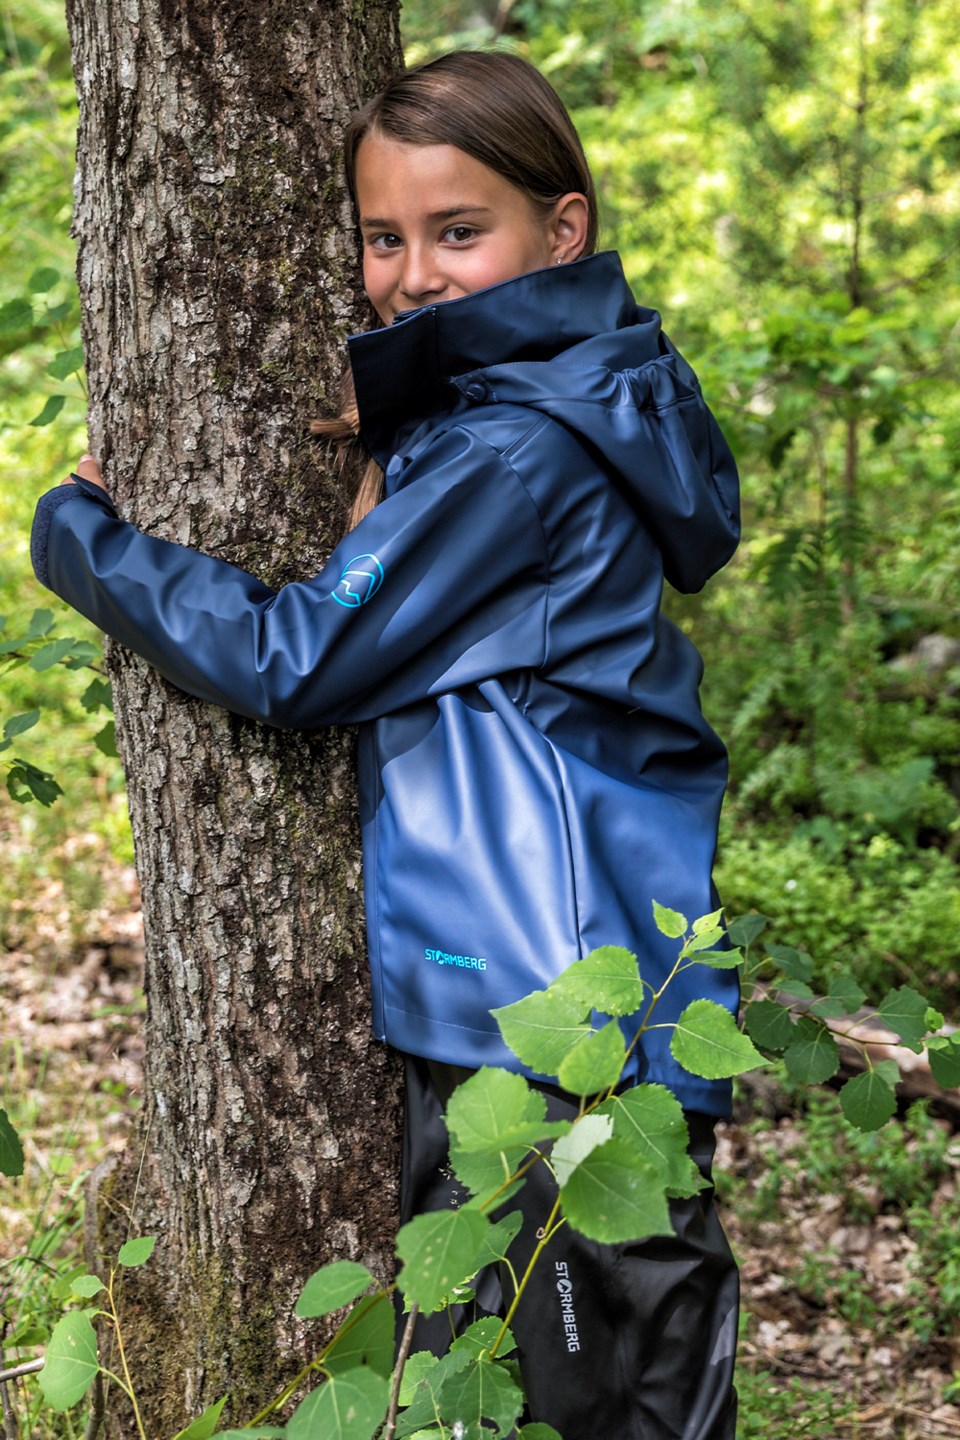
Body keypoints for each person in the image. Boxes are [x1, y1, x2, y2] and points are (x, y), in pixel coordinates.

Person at [31, 50, 740, 1439]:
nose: (411, 274)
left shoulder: (508, 462)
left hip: (538, 975)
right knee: (603, 1364)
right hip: (593, 948)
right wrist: (422, 396)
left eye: (458, 231)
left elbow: (293, 659)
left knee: (582, 1386)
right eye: (382, 236)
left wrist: (83, 544)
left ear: (564, 227)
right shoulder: (600, 392)